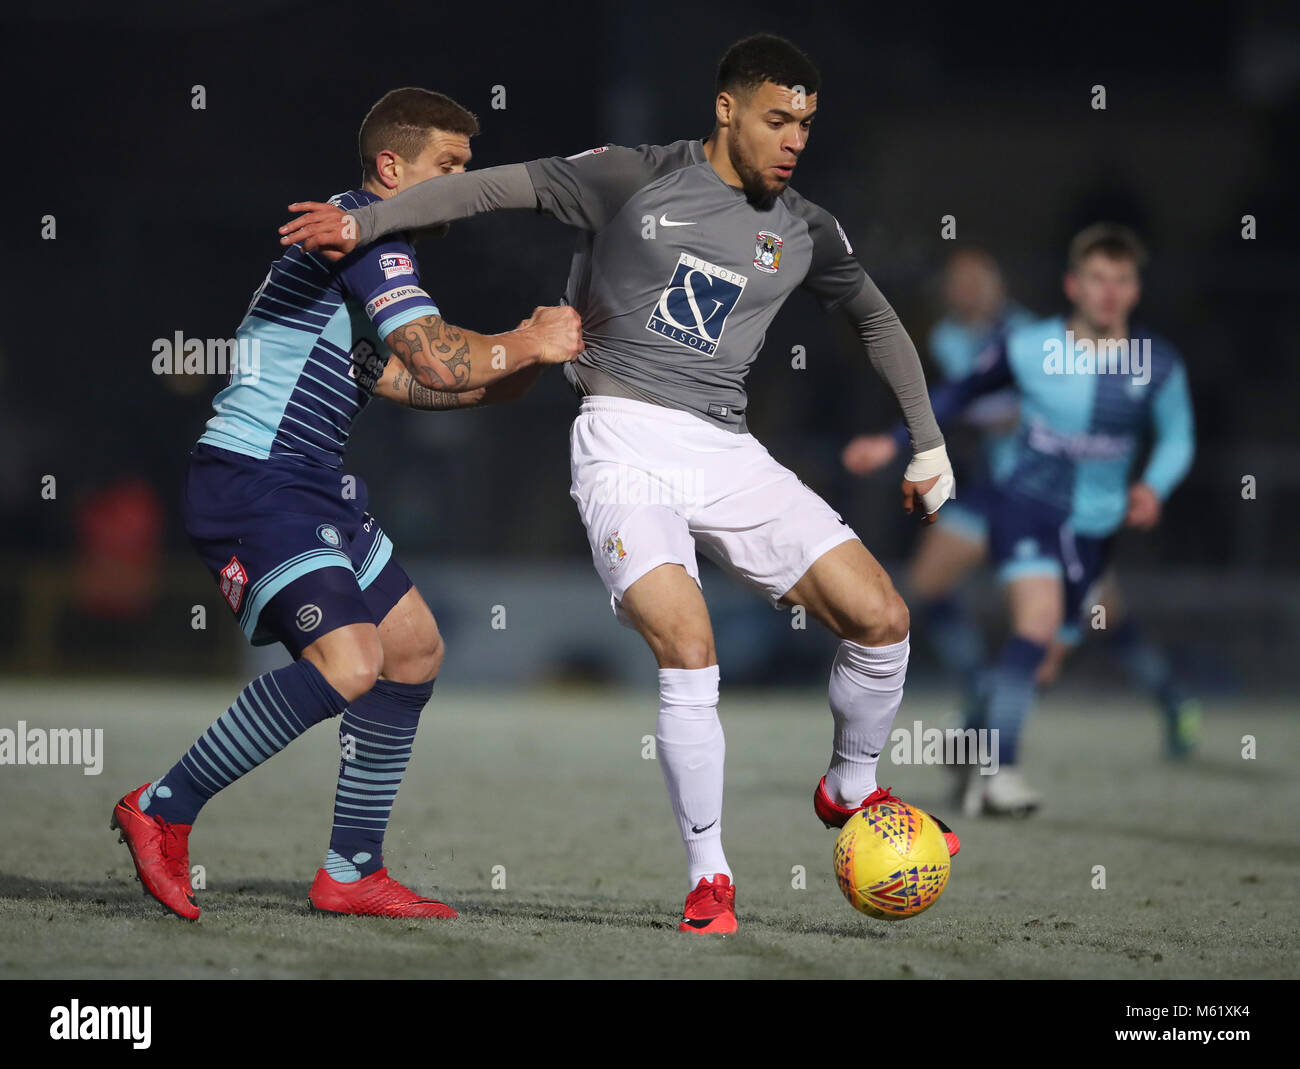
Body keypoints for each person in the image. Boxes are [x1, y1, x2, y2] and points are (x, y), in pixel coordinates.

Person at [280, 33, 963, 935]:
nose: (793, 137)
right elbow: (493, 184)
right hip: (621, 442)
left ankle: (851, 785)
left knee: (882, 617)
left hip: (727, 450)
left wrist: (929, 441)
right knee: (689, 640)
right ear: (727, 110)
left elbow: (873, 315)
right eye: (775, 117)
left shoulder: (806, 228)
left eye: (804, 121)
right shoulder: (631, 177)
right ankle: (709, 878)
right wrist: (365, 222)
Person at [110, 88, 583, 920]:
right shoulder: (362, 227)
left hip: (307, 483)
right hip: (255, 480)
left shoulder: (370, 241)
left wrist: (519, 366)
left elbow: (411, 381)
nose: (462, 192)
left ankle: (351, 869)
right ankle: (162, 807)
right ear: (392, 167)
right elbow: (436, 362)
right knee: (350, 663)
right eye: (449, 170)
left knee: (412, 649)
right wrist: (527, 342)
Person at [844, 224, 1194, 815]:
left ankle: (973, 736)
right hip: (1025, 507)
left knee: (1047, 658)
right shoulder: (1032, 346)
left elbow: (1179, 439)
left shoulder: (1157, 364)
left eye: (1122, 280)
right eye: (1097, 279)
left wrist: (1153, 488)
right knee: (1031, 626)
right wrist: (892, 440)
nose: (1109, 292)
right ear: (1073, 286)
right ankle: (999, 775)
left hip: (1095, 529)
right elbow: (957, 395)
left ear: (1135, 290)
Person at [845, 249, 1033, 729]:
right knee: (926, 585)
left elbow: (1014, 408)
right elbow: (971, 401)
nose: (968, 290)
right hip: (991, 490)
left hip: (1044, 493)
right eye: (959, 281)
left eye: (978, 280)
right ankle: (980, 696)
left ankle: (1172, 700)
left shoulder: (1034, 336)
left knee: (1088, 616)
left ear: (1000, 285)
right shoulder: (950, 337)